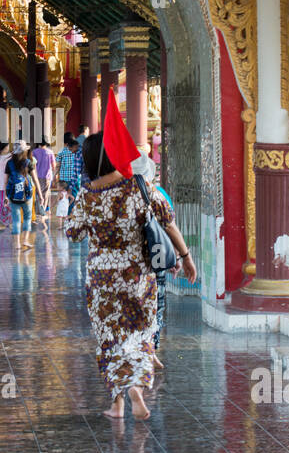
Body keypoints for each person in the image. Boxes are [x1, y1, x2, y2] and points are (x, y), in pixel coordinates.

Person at [66, 130, 197, 420]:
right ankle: (136, 387)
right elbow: (168, 223)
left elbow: (73, 233)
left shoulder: (87, 196)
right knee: (140, 332)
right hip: (138, 276)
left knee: (110, 337)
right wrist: (186, 257)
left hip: (102, 280)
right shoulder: (140, 185)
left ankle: (118, 402)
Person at [131, 148, 176, 370]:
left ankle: (136, 350)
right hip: (156, 257)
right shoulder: (158, 194)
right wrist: (177, 256)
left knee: (132, 307)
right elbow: (169, 227)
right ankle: (151, 350)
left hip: (130, 264)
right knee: (156, 306)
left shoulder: (121, 197)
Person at [5, 142, 40, 250]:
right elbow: (35, 179)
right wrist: (40, 194)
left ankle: (17, 244)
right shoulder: (28, 162)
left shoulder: (9, 163)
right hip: (27, 195)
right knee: (27, 218)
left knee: (16, 220)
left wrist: (6, 195)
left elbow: (5, 181)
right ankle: (25, 240)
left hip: (13, 195)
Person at [55, 132, 84, 216]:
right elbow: (77, 171)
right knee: (73, 197)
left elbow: (58, 165)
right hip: (75, 179)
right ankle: (70, 215)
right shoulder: (78, 151)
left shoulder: (61, 151)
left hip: (64, 179)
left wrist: (54, 176)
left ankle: (65, 215)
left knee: (63, 198)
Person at [31, 140, 55, 227]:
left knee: (37, 193)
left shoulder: (34, 152)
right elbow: (54, 165)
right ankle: (43, 211)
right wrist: (55, 176)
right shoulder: (50, 152)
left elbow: (31, 164)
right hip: (47, 176)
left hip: (36, 176)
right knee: (45, 194)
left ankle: (37, 211)